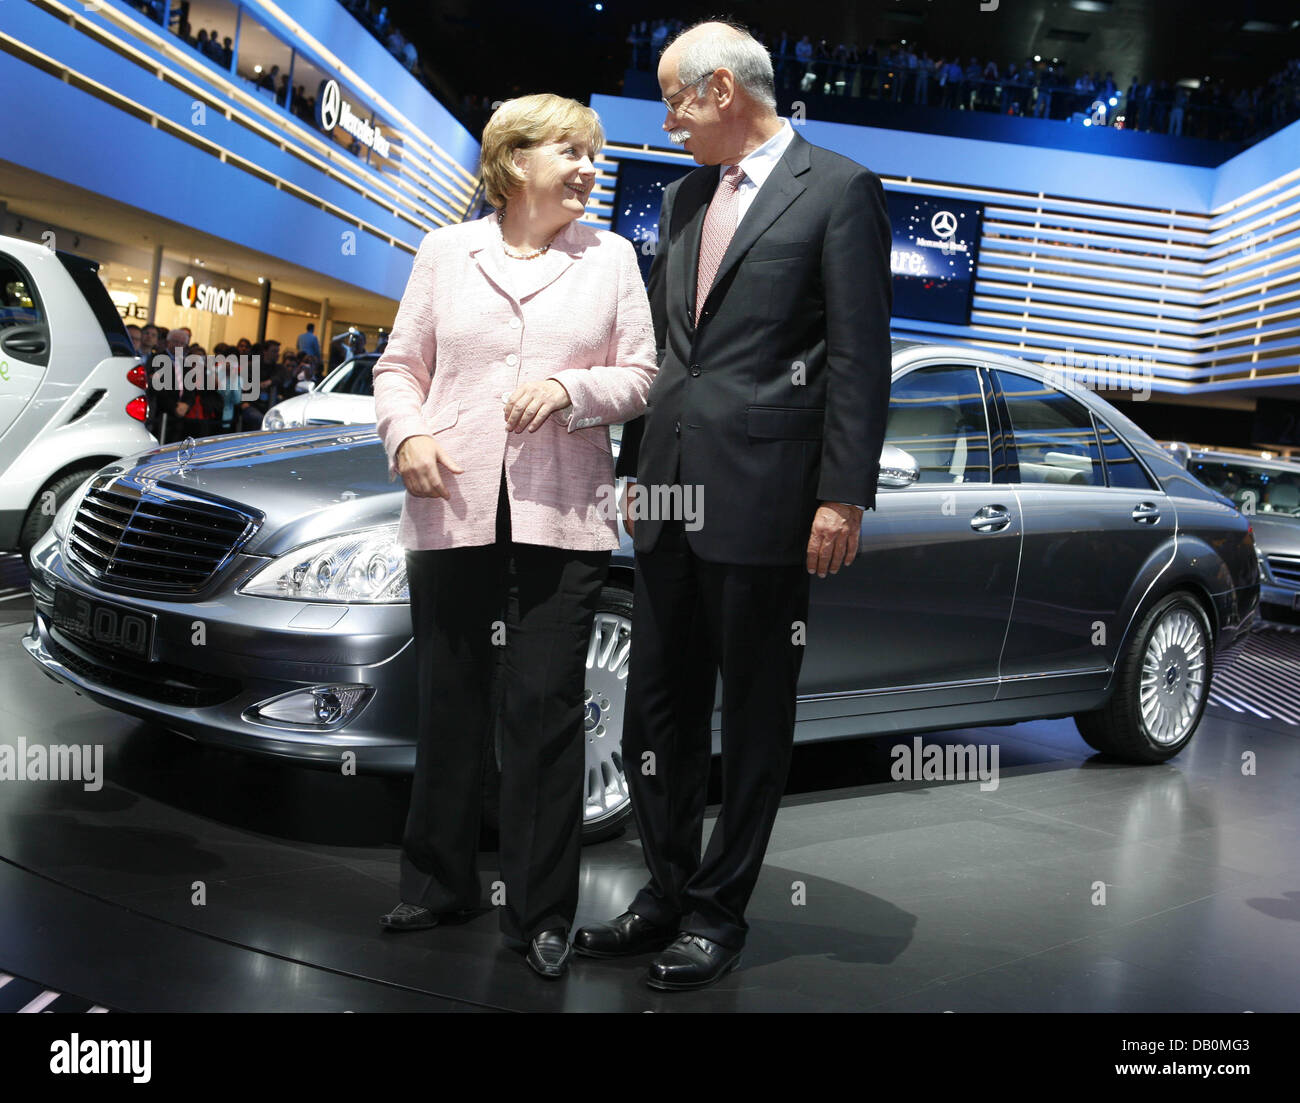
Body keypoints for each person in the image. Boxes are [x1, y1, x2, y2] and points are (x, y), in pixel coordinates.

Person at [574, 20, 892, 990]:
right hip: (666, 487)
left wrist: (842, 493)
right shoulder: (680, 198)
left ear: (720, 90)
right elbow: (674, 352)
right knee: (655, 712)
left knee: (751, 713)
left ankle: (718, 913)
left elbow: (856, 357)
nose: (665, 121)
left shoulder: (837, 189)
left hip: (768, 498)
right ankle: (664, 891)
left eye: (674, 100)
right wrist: (634, 465)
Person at [372, 93, 657, 980]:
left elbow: (644, 376)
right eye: (570, 150)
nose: (587, 167)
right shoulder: (444, 252)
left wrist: (575, 392)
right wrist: (406, 433)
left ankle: (540, 912)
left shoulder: (610, 258)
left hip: (561, 515)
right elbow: (398, 368)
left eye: (593, 153)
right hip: (451, 504)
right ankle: (436, 881)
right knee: (449, 699)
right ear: (514, 158)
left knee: (544, 714)